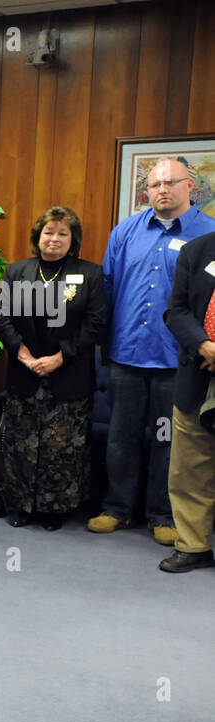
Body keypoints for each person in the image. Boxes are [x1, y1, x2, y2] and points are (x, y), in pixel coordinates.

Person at [91, 158, 215, 545]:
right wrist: (105, 345)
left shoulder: (208, 234)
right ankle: (117, 508)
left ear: (189, 185)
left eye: (170, 182)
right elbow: (108, 289)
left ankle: (163, 515)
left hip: (179, 359)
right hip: (127, 354)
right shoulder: (126, 231)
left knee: (169, 440)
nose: (162, 189)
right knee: (121, 436)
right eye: (154, 183)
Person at [0, 206, 106, 530]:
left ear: (73, 240)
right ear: (37, 237)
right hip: (24, 373)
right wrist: (21, 351)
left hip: (68, 375)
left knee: (63, 447)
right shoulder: (17, 272)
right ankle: (20, 505)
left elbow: (96, 323)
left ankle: (54, 509)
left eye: (62, 234)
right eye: (48, 232)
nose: (54, 239)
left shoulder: (90, 274)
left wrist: (61, 357)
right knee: (21, 443)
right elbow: (1, 316)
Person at [158, 229, 215, 572]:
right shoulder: (196, 251)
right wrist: (203, 345)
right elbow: (176, 311)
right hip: (198, 372)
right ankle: (193, 545)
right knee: (189, 468)